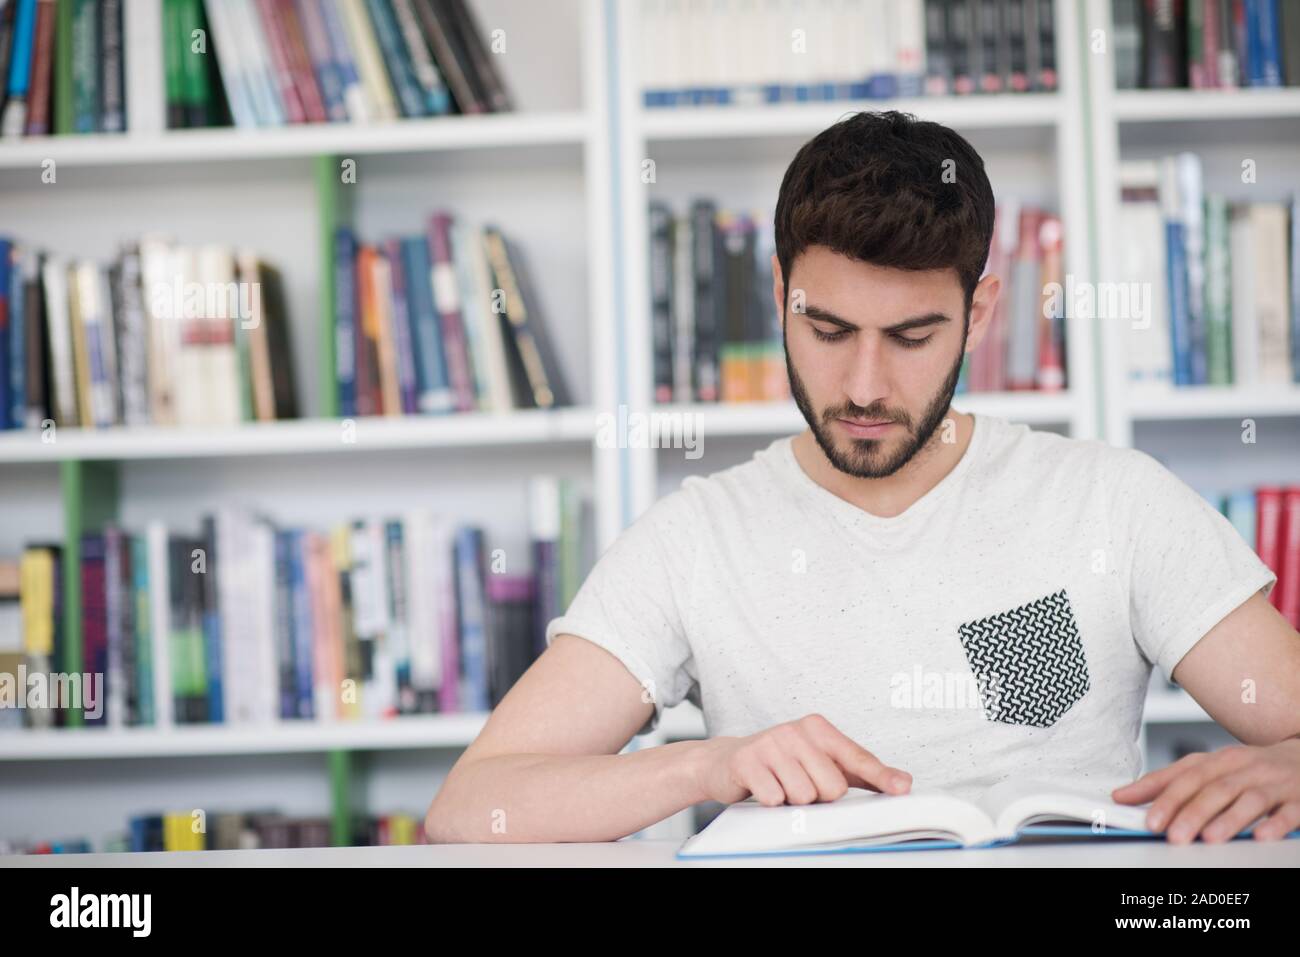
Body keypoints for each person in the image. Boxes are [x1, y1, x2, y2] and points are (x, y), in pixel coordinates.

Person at [425, 111, 1300, 846]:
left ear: (979, 314)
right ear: (780, 296)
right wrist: (707, 763)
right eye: (831, 331)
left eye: (913, 337)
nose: (866, 387)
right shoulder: (695, 539)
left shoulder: (1117, 503)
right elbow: (469, 810)